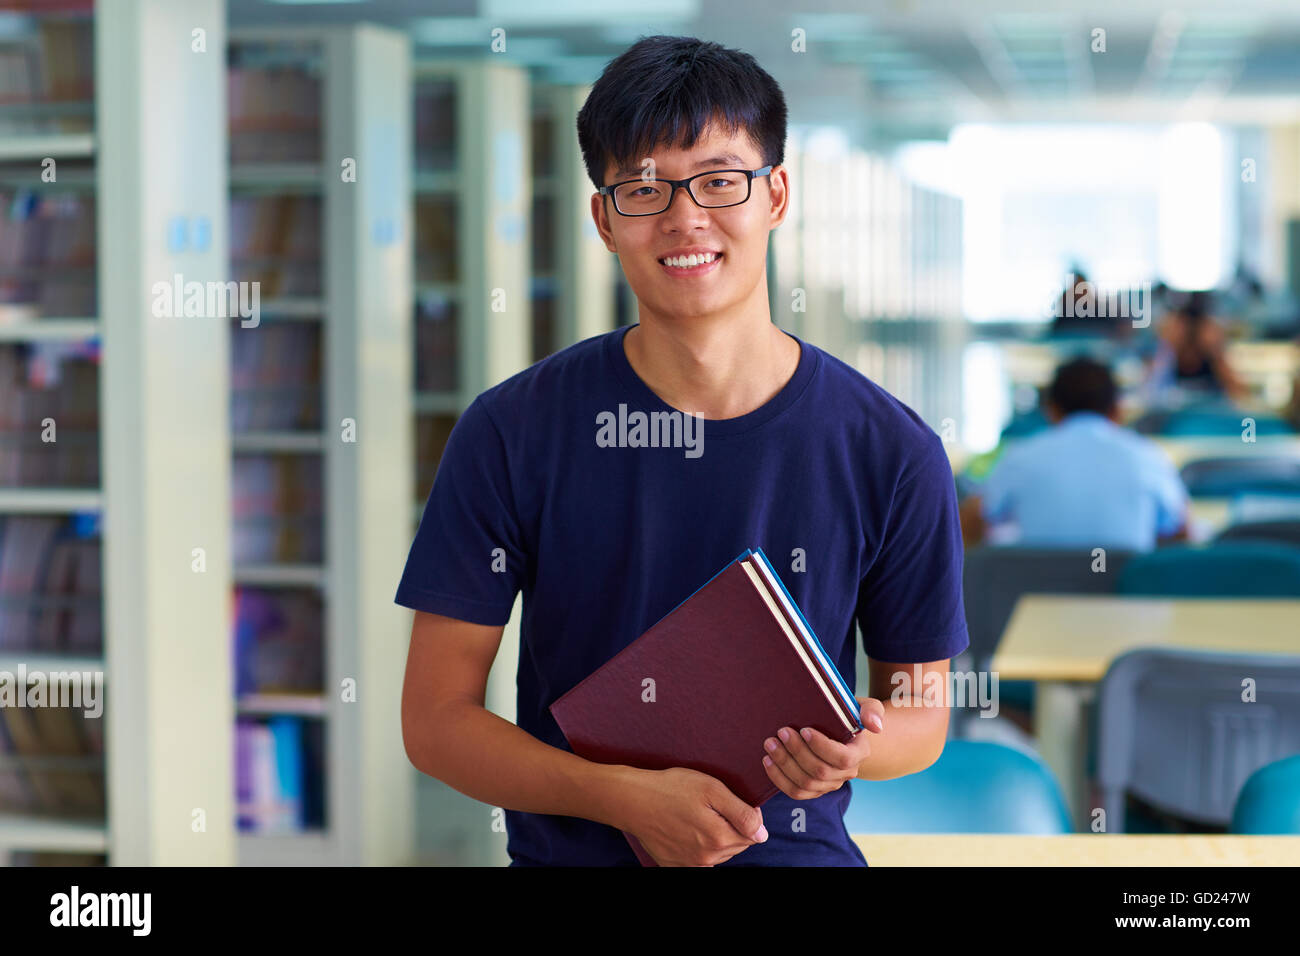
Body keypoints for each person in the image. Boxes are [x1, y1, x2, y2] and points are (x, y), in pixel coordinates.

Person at [395, 35, 968, 867]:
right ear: (603, 219)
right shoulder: (512, 431)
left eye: (720, 179)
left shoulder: (892, 450)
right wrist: (617, 796)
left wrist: (858, 749)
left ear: (775, 194)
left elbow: (919, 713)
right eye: (643, 187)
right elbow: (435, 721)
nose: (685, 216)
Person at [961, 357, 1189, 551]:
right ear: (1118, 410)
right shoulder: (1147, 457)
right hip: (1125, 597)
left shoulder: (1020, 456)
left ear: (1051, 409)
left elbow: (970, 520)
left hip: (1035, 596)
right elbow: (1181, 531)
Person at [1143, 290, 1246, 401]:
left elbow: (1239, 392)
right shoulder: (1168, 356)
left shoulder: (1213, 357)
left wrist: (1215, 352)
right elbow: (1149, 390)